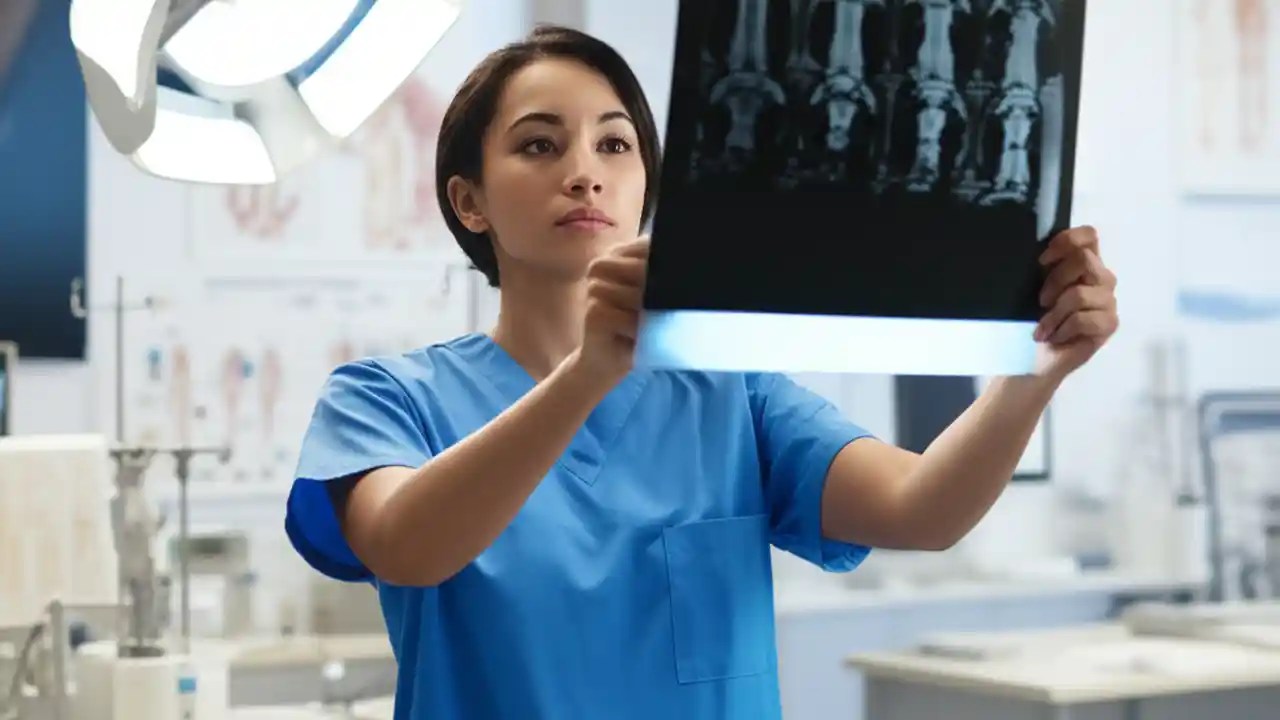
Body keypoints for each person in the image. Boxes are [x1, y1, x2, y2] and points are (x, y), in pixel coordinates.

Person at [284, 24, 1120, 720]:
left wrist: (1032, 373)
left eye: (615, 143)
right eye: (540, 144)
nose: (585, 169)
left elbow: (923, 508)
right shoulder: (389, 399)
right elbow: (405, 547)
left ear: (646, 184)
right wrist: (587, 376)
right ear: (469, 202)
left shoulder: (732, 393)